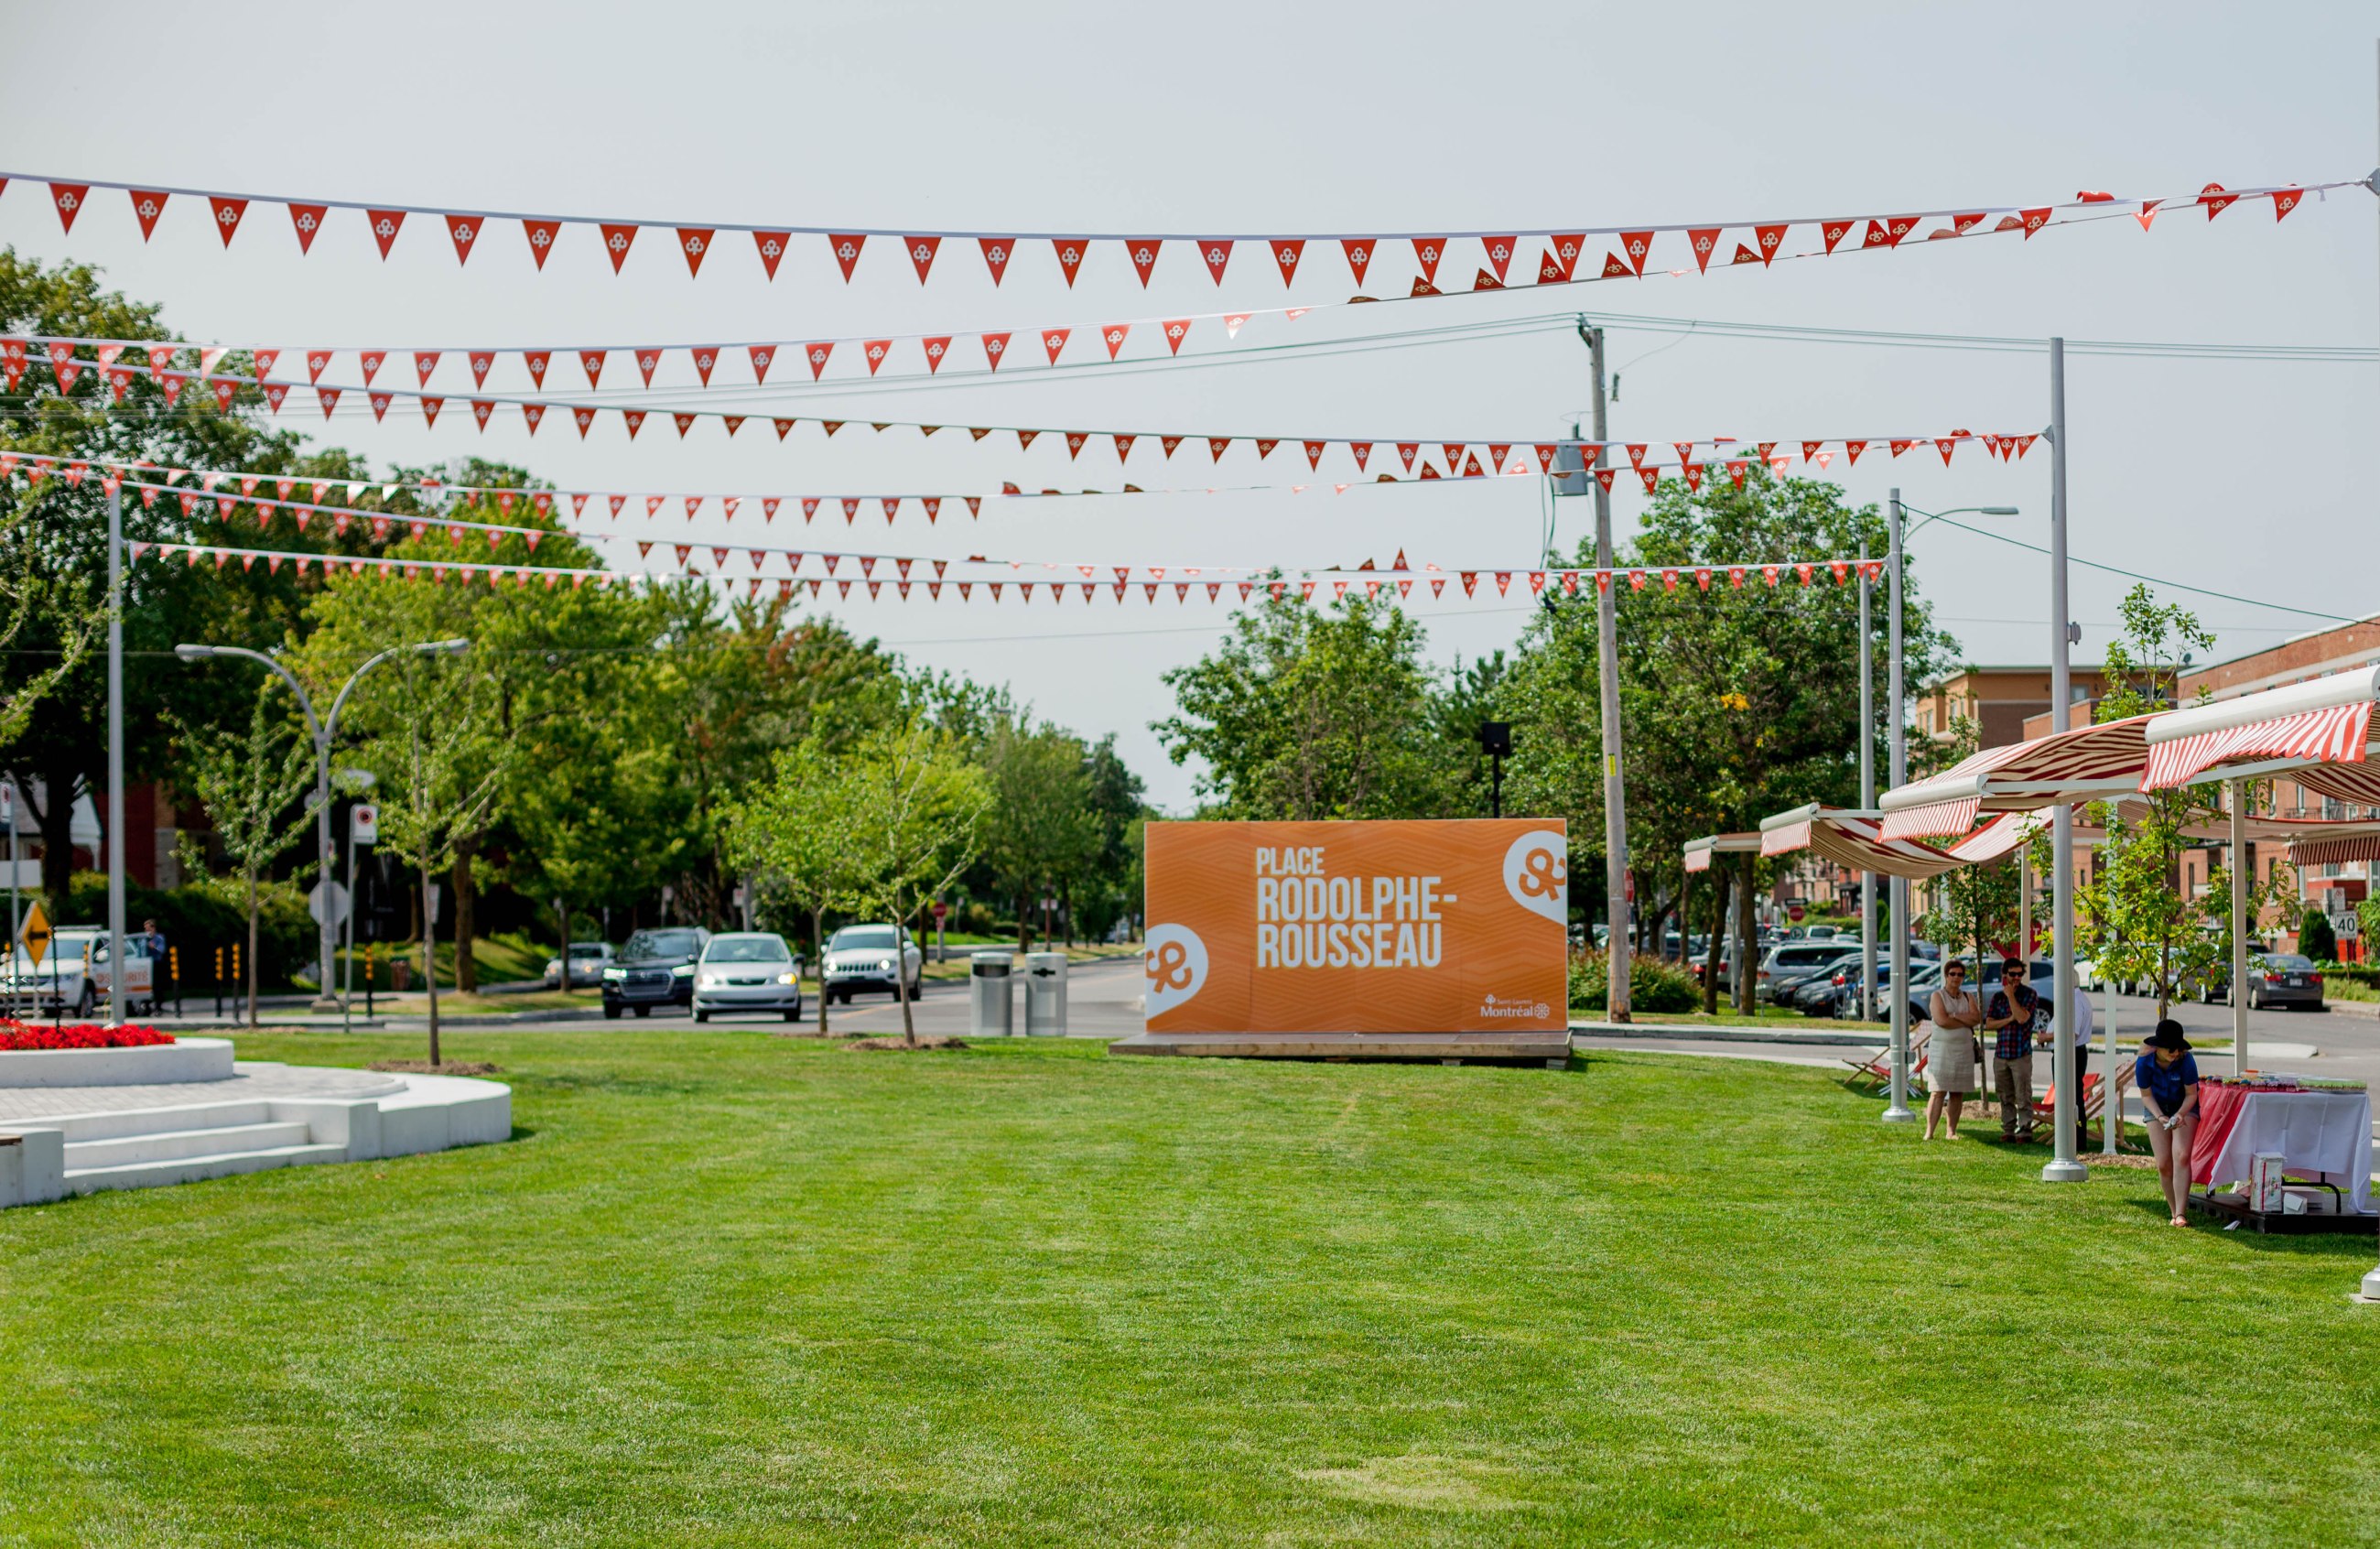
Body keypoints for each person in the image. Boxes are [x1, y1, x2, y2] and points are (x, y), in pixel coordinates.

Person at [2136, 1021, 2202, 1227]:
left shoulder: (2186, 1061)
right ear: (2158, 1047)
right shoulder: (2144, 1062)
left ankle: (2181, 1213)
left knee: (2182, 1155)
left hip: (2184, 1105)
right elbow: (2146, 1096)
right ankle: (2174, 1212)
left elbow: (2192, 1094)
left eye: (2179, 1048)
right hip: (2156, 1106)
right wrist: (2159, 1116)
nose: (2176, 1053)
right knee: (2164, 1163)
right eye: (2171, 1049)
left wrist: (2180, 1114)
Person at [1923, 959, 1982, 1140]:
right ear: (1946, 976)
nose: (1956, 978)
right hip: (1942, 1051)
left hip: (1964, 1050)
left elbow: (1976, 1018)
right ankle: (1929, 1132)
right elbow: (1942, 1021)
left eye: (1960, 974)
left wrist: (1955, 1015)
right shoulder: (1937, 996)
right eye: (1952, 974)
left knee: (1958, 1092)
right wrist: (1964, 1019)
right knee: (1938, 1091)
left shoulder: (1968, 997)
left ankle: (1951, 1132)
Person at [1985, 959, 2040, 1142]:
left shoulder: (2029, 994)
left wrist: (2010, 996)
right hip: (2001, 1054)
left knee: (2023, 1093)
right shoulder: (1997, 997)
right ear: (2005, 975)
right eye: (2012, 974)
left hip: (2021, 1054)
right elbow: (1989, 1024)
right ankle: (2008, 1129)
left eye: (2019, 974)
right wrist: (2008, 1020)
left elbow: (2022, 1018)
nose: (2016, 978)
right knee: (2005, 1095)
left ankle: (2025, 1130)